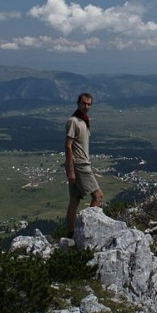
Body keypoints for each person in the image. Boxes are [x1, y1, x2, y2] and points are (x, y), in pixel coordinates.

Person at [65, 92, 103, 234]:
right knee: (98, 195)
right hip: (79, 164)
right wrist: (71, 171)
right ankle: (88, 231)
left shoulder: (84, 121)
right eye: (84, 103)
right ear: (78, 104)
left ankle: (71, 233)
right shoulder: (74, 121)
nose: (86, 106)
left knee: (75, 199)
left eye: (89, 104)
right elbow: (68, 146)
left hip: (81, 163)